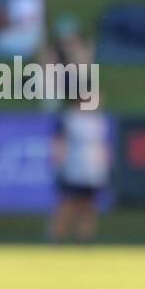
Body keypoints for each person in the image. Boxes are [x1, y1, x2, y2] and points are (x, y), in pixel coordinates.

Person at [50, 94, 111, 244]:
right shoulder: (69, 118)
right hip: (73, 168)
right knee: (68, 204)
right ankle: (56, 239)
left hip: (93, 170)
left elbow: (103, 144)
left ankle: (84, 240)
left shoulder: (98, 120)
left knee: (88, 206)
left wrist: (105, 164)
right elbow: (59, 143)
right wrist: (58, 163)